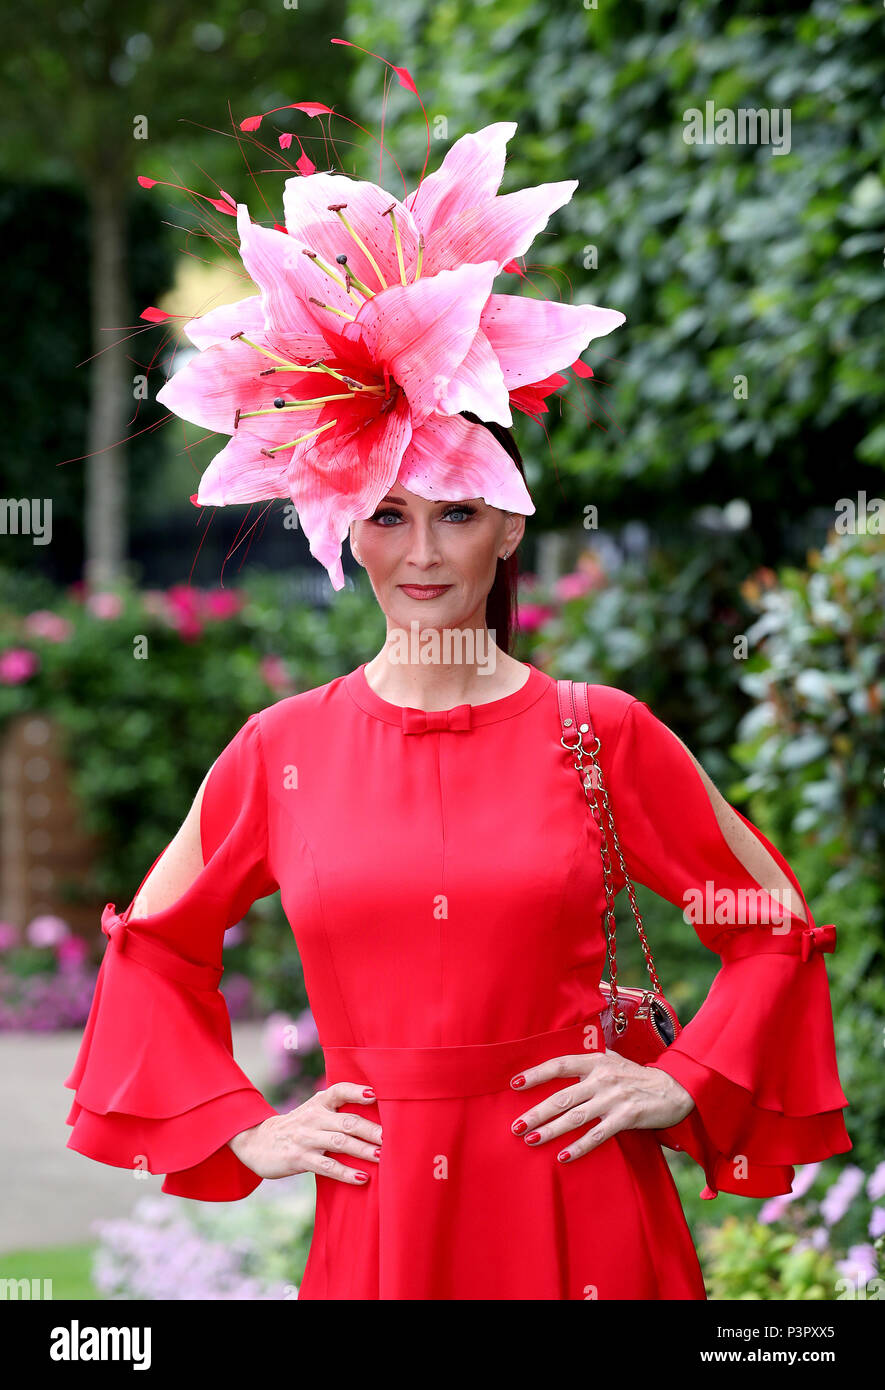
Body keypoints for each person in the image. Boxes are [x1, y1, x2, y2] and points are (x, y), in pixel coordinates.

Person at [64, 98, 851, 1300]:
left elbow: (769, 926)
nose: (422, 551)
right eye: (388, 514)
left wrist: (682, 1078)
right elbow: (155, 949)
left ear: (508, 525)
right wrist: (241, 1130)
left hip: (583, 1207)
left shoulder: (603, 732)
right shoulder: (278, 752)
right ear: (341, 523)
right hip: (380, 1223)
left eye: (457, 513)